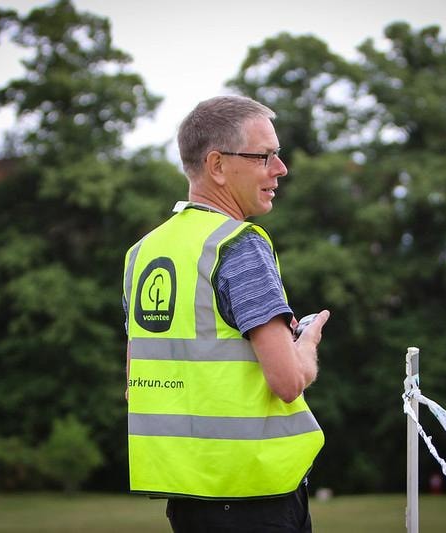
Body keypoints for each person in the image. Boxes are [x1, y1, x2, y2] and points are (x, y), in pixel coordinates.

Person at [123, 95, 330, 532]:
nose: (280, 168)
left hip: (189, 500)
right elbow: (287, 382)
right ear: (217, 165)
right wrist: (306, 346)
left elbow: (134, 383)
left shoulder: (141, 253)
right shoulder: (238, 245)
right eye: (265, 156)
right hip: (257, 495)